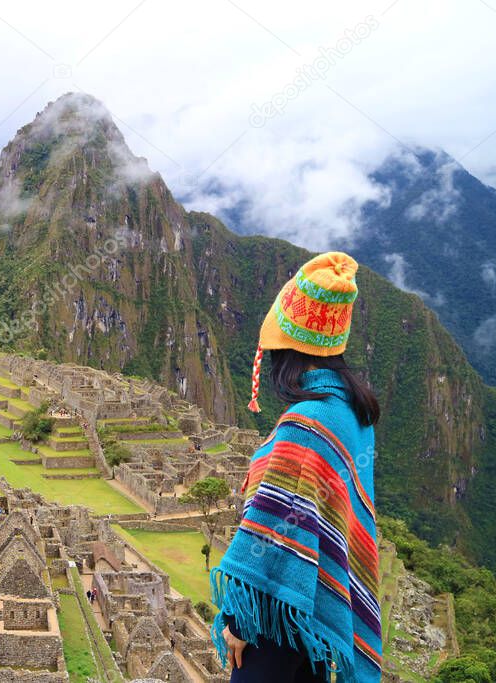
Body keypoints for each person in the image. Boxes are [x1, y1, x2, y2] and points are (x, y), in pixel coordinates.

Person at [210, 253, 382, 683]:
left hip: (276, 616)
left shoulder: (306, 427)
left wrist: (239, 622)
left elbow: (274, 532)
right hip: (314, 616)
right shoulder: (353, 413)